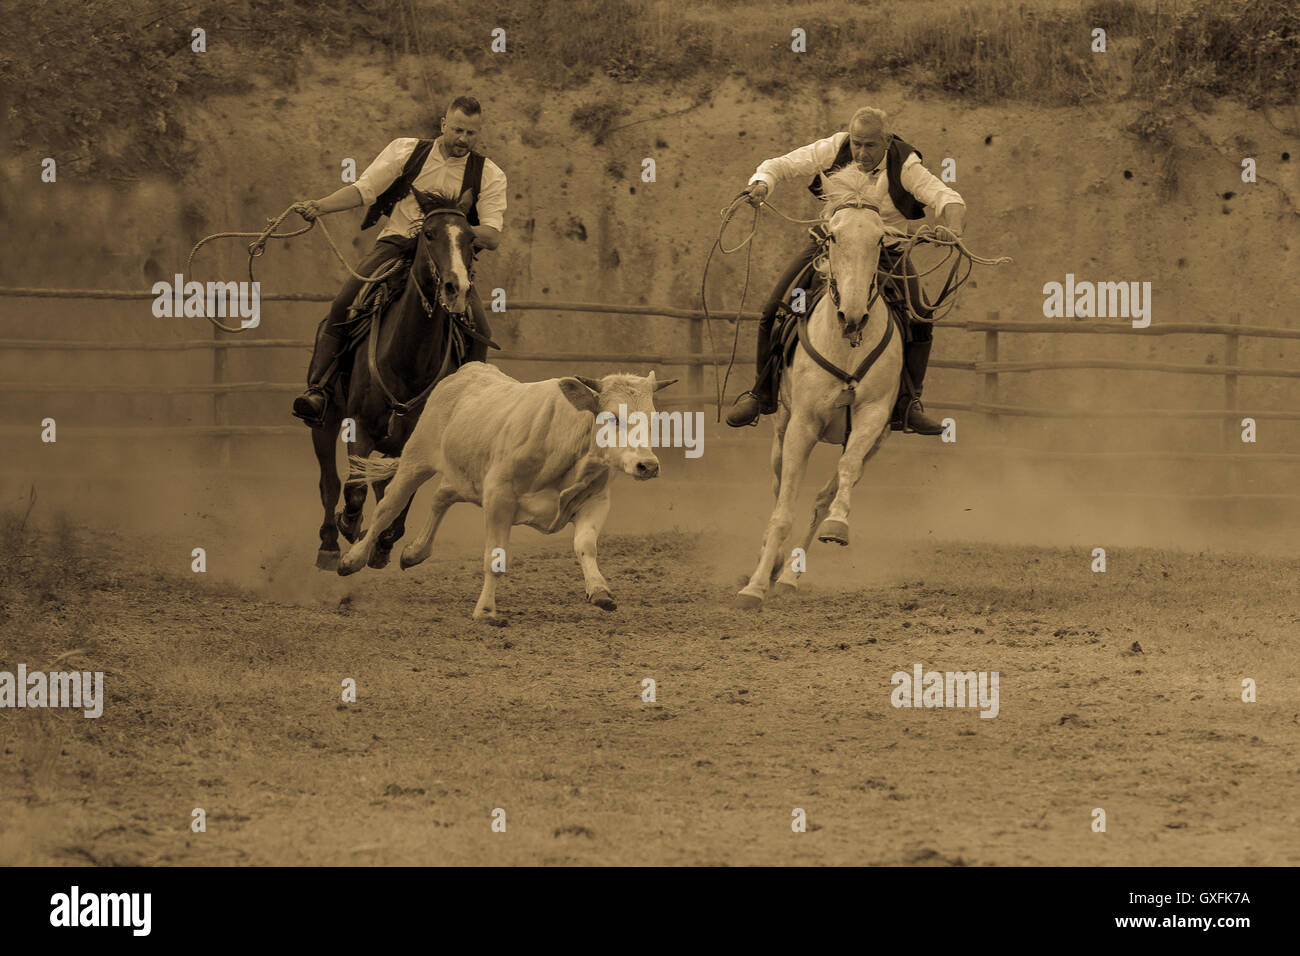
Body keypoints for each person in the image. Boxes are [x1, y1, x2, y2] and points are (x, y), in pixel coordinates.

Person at [726, 106, 965, 435]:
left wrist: (953, 228)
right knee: (776, 307)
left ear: (886, 141)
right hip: (831, 245)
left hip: (887, 251)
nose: (861, 153)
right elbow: (779, 166)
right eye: (857, 144)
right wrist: (762, 185)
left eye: (870, 145)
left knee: (921, 315)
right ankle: (762, 393)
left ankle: (908, 403)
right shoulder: (832, 148)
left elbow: (946, 197)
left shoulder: (905, 164)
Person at [290, 95, 507, 425]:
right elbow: (364, 190)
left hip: (448, 255)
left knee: (480, 326)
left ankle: (469, 411)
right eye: (458, 130)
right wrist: (319, 205)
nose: (463, 139)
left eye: (471, 133)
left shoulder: (488, 174)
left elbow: (492, 236)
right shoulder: (407, 152)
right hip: (396, 244)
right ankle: (319, 389)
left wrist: (451, 229)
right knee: (343, 302)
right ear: (443, 125)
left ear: (479, 133)